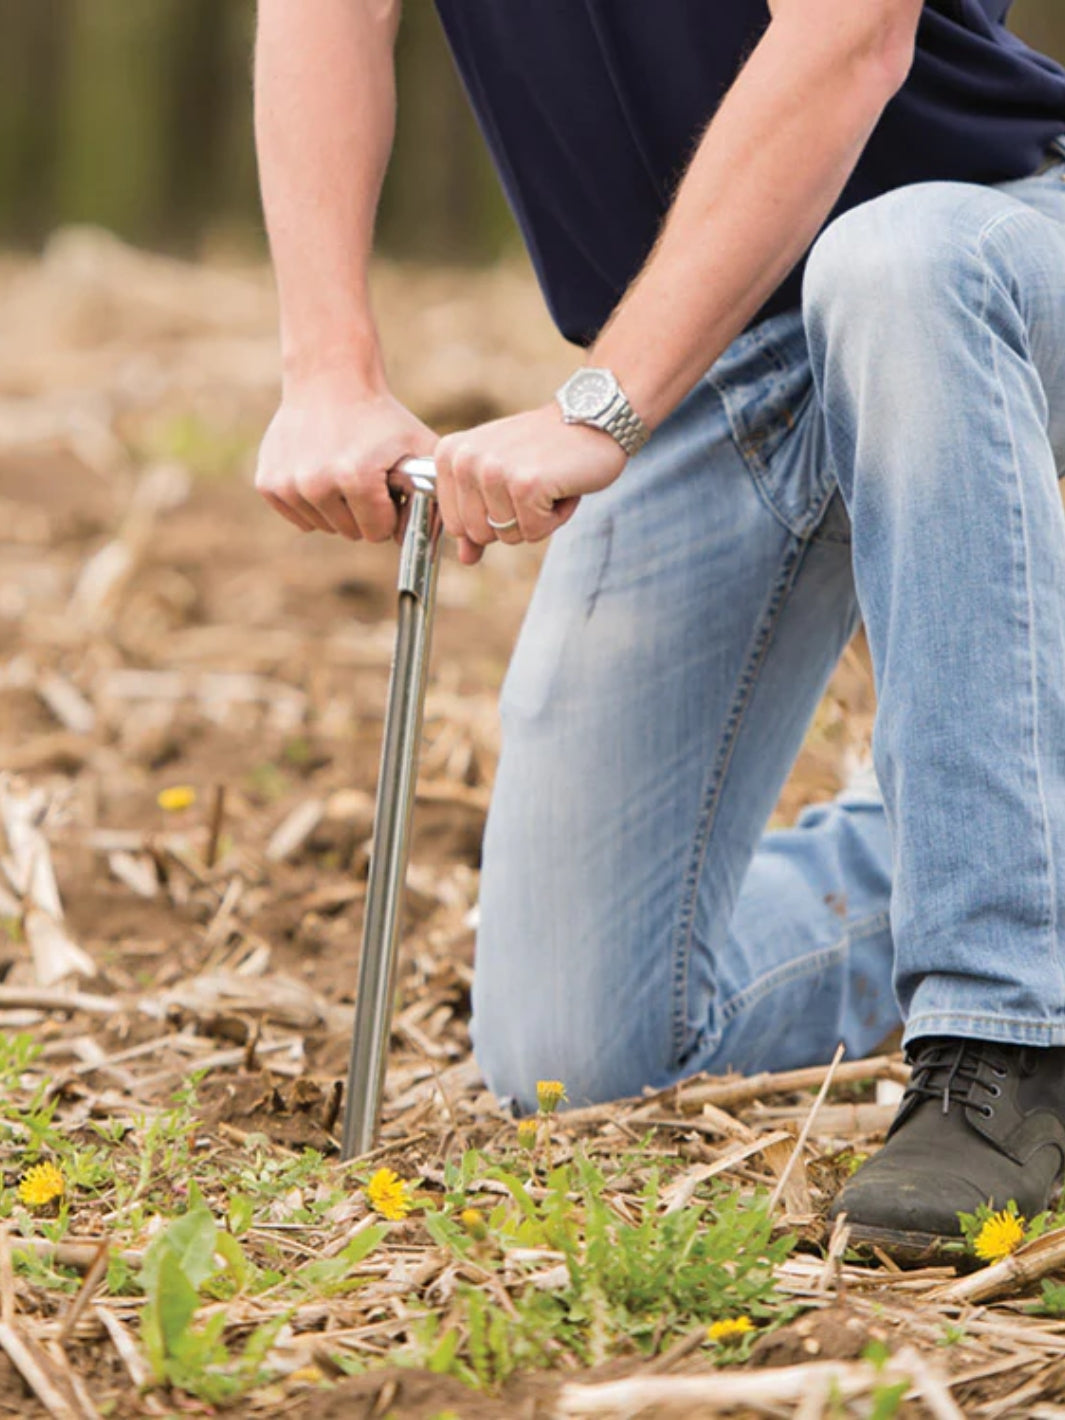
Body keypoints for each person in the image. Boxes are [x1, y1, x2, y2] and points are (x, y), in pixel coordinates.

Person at [253, 0, 1065, 1259]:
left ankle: (1010, 1039)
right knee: (577, 1052)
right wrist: (327, 367)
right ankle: (1013, 840)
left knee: (895, 261)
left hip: (988, 247)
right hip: (709, 358)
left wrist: (604, 401)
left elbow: (852, 35)